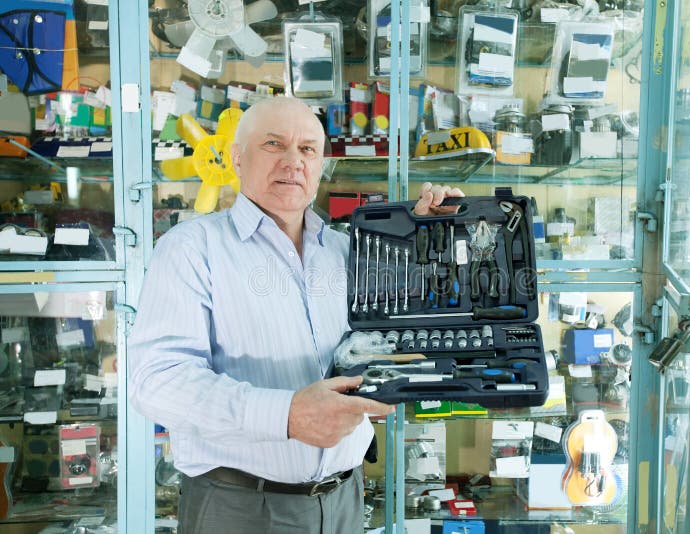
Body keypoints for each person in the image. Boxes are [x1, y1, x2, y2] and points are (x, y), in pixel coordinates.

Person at [128, 96, 464, 534]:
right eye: (273, 144)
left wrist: (426, 237)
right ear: (237, 158)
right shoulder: (191, 248)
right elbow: (156, 382)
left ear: (321, 163)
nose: (293, 162)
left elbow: (402, 326)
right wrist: (284, 415)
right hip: (240, 507)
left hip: (345, 498)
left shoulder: (347, 250)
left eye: (307, 149)